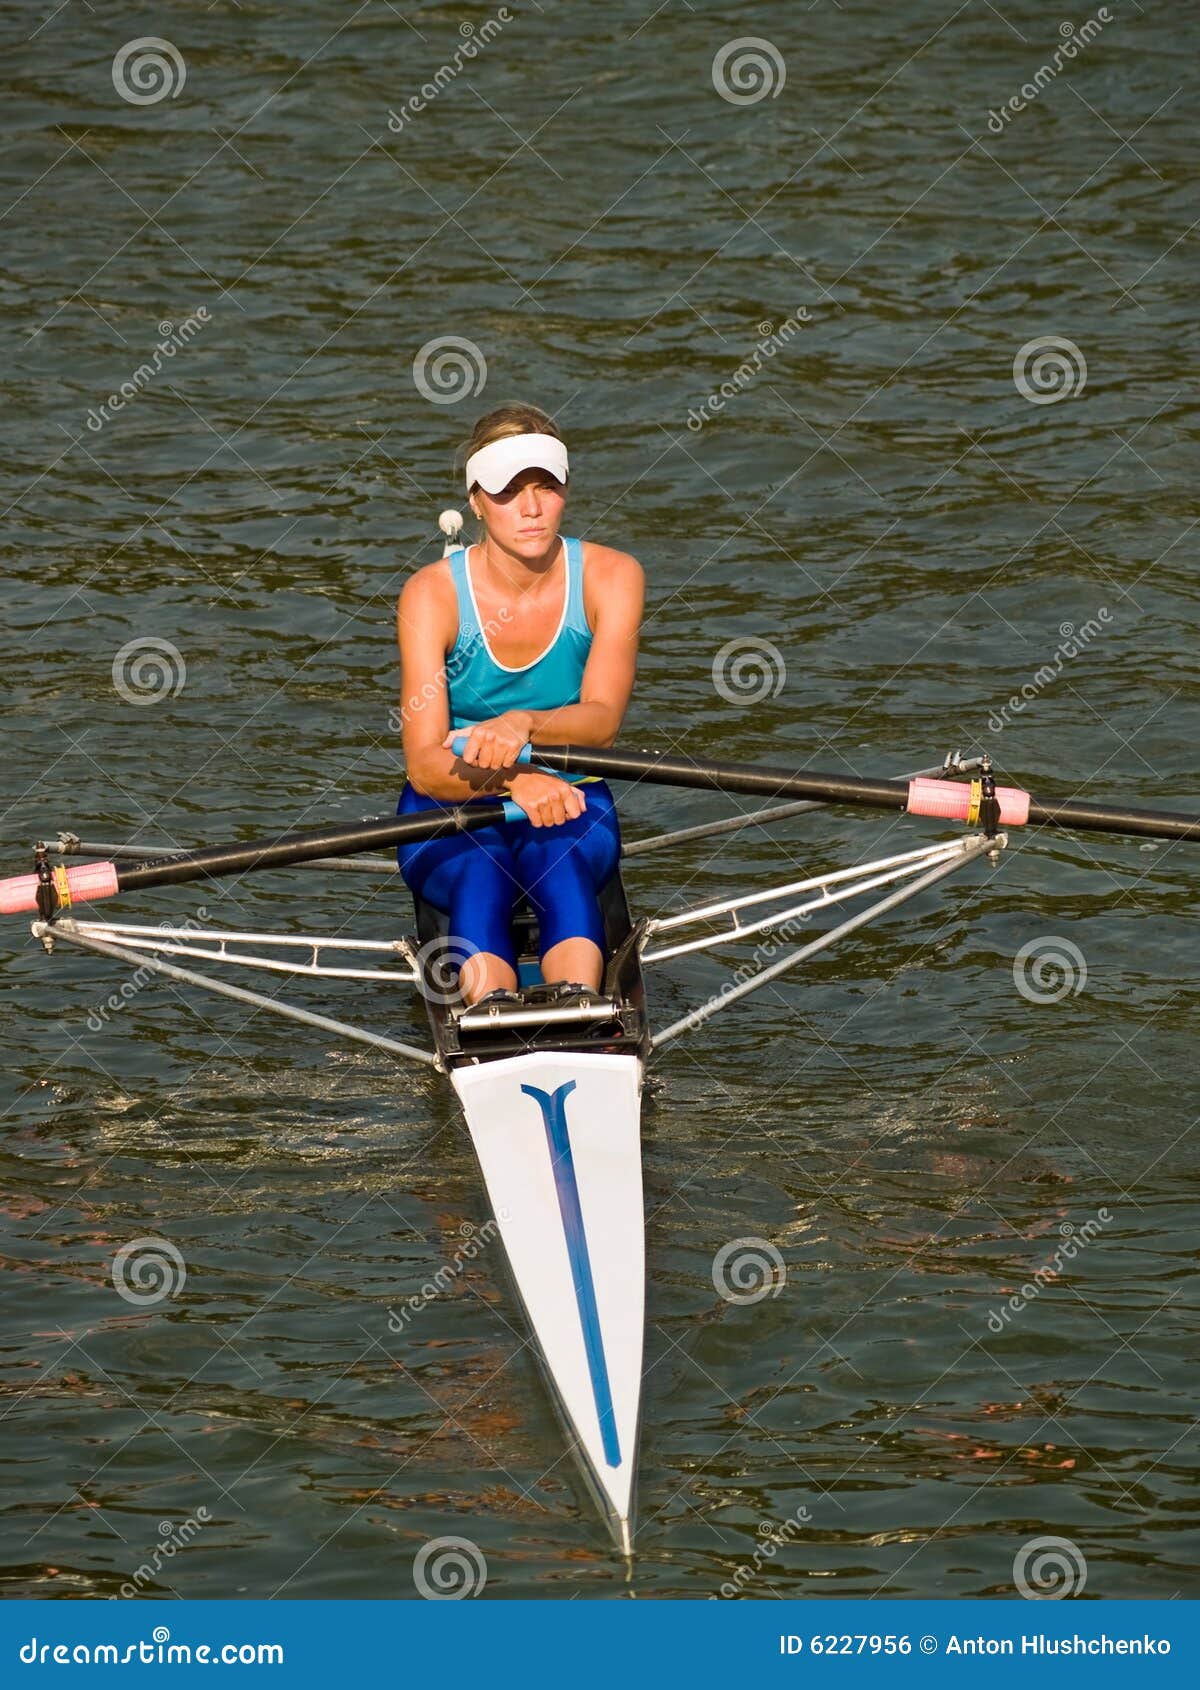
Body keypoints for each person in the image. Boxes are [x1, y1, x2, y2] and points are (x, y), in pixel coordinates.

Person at [396, 404, 644, 1007]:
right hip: (450, 800)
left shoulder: (612, 576)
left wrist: (523, 725)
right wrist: (515, 780)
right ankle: (492, 1015)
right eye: (508, 492)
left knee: (557, 856)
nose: (531, 508)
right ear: (476, 500)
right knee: (481, 870)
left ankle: (579, 1007)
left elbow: (603, 721)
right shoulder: (431, 594)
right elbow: (425, 764)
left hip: (574, 792)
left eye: (547, 487)